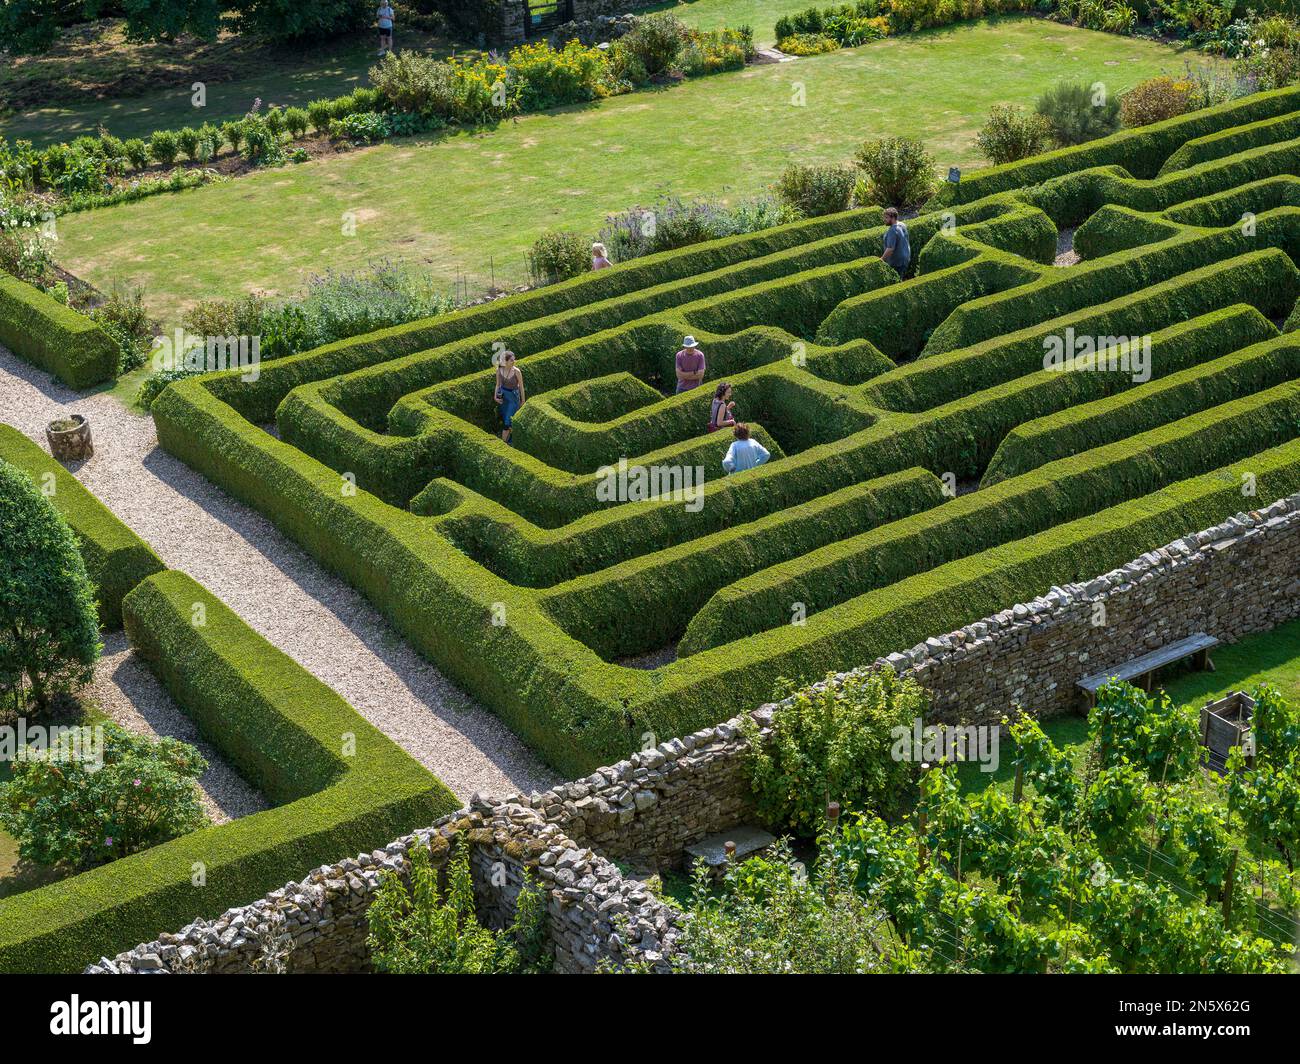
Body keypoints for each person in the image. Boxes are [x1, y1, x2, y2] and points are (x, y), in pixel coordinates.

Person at [494, 350, 525, 444]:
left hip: (513, 399)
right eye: (511, 360)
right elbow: (497, 385)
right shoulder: (499, 370)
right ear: (505, 361)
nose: (514, 361)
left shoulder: (517, 371)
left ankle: (503, 444)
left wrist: (523, 401)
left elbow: (521, 387)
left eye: (514, 359)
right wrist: (495, 397)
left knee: (507, 422)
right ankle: (510, 440)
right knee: (506, 419)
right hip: (504, 398)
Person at [881, 206, 910, 278]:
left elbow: (890, 249)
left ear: (893, 218)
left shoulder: (893, 231)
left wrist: (881, 259)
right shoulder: (902, 224)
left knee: (896, 281)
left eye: (886, 218)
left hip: (896, 262)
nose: (884, 219)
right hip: (905, 259)